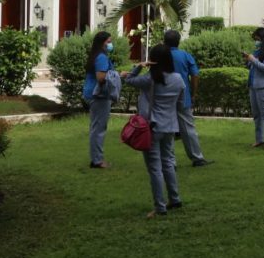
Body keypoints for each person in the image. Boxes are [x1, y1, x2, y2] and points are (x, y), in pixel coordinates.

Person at [123, 44, 186, 216]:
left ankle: (160, 206)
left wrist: (138, 66)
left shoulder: (150, 78)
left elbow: (128, 80)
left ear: (153, 60)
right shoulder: (178, 79)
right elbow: (180, 104)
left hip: (152, 127)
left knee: (155, 168)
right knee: (168, 163)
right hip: (170, 126)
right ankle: (174, 198)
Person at [164, 29, 213, 167]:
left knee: (167, 130)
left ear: (164, 41)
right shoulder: (185, 55)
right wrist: (193, 93)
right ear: (179, 41)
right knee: (188, 129)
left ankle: (170, 162)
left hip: (164, 97)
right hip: (183, 96)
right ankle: (197, 158)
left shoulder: (161, 55)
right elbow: (195, 75)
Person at [83, 31, 114, 169]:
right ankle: (97, 160)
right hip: (99, 96)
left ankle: (96, 158)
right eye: (108, 42)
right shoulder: (101, 57)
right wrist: (116, 76)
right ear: (102, 43)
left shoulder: (95, 55)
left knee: (96, 127)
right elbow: (101, 77)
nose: (110, 44)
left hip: (92, 93)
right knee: (99, 128)